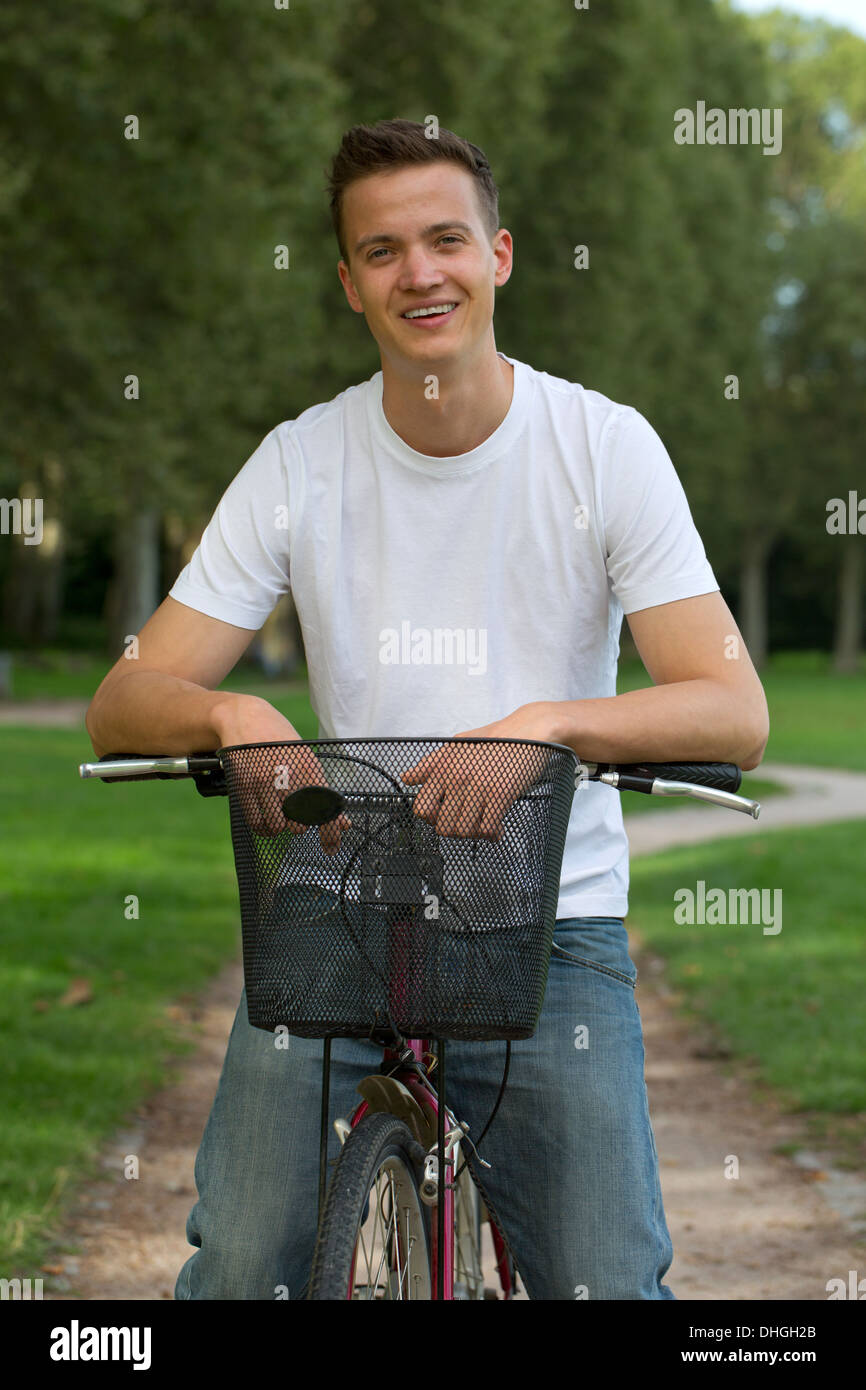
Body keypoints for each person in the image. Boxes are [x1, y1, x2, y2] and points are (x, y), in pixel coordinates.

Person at [85, 118, 769, 1300]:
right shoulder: (301, 461)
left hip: (547, 933)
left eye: (445, 239)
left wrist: (546, 724)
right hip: (340, 917)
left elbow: (731, 710)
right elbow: (122, 699)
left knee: (608, 1279)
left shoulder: (603, 448)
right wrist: (227, 712)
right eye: (384, 250)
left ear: (497, 254)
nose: (421, 273)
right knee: (240, 1265)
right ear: (348, 284)